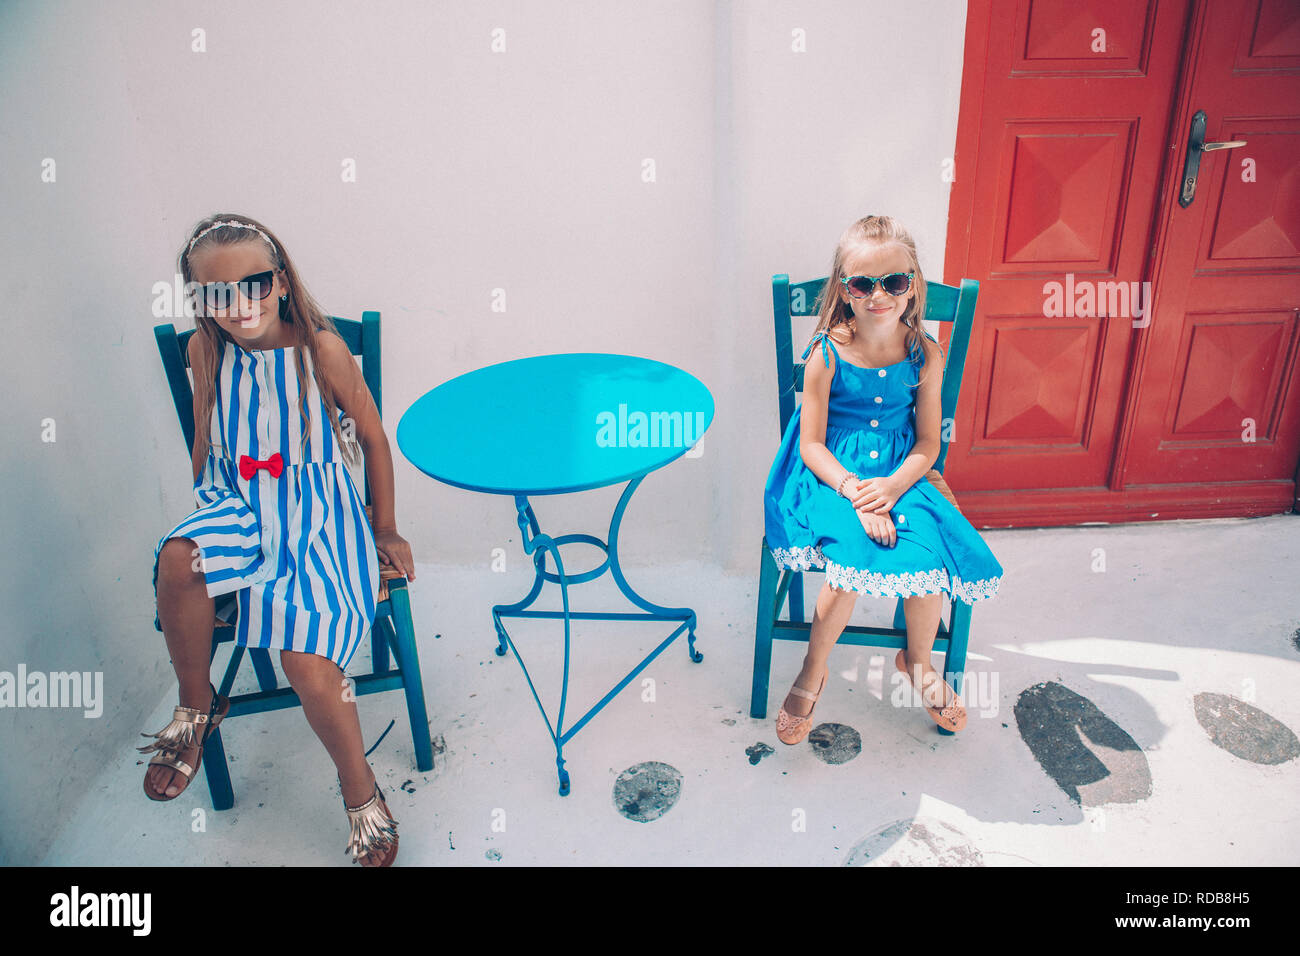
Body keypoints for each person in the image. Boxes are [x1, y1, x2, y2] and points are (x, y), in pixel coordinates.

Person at [140, 214, 416, 865]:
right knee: (180, 557)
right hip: (240, 507)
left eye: (253, 284)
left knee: (303, 658)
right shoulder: (203, 352)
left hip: (321, 518)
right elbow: (210, 443)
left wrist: (386, 526)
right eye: (215, 293)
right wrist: (211, 517)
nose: (237, 305)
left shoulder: (322, 352)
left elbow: (372, 438)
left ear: (283, 280)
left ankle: (360, 791)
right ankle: (196, 708)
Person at [763, 214, 1002, 745]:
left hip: (901, 471)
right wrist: (855, 492)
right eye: (863, 283)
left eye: (893, 282)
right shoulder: (825, 355)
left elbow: (927, 443)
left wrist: (892, 489)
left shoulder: (925, 353)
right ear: (843, 290)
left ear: (911, 284)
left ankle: (918, 661)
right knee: (851, 555)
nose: (879, 295)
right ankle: (814, 666)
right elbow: (811, 445)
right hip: (831, 476)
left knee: (926, 553)